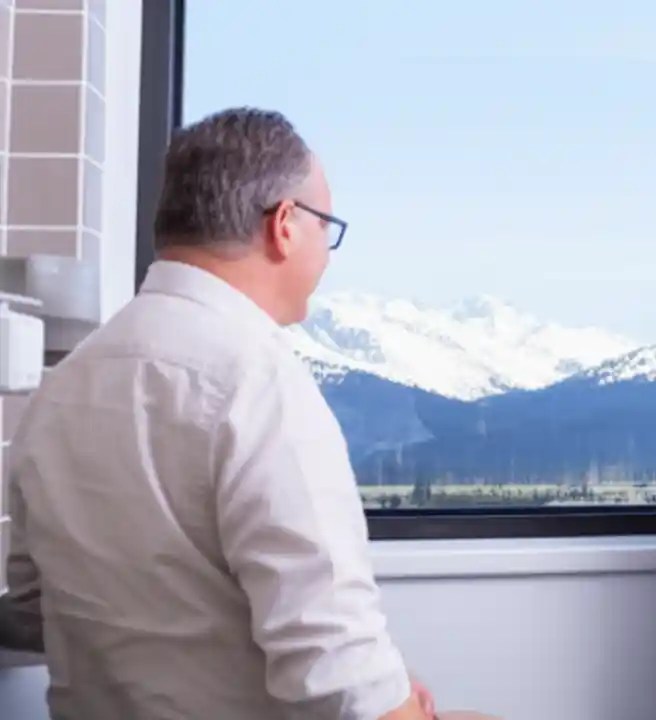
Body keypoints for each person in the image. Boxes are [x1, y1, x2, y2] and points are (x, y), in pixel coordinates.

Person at [0, 107, 445, 719]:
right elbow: (335, 664)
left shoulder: (62, 386)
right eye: (327, 228)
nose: (329, 254)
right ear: (285, 225)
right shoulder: (258, 383)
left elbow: (31, 609)